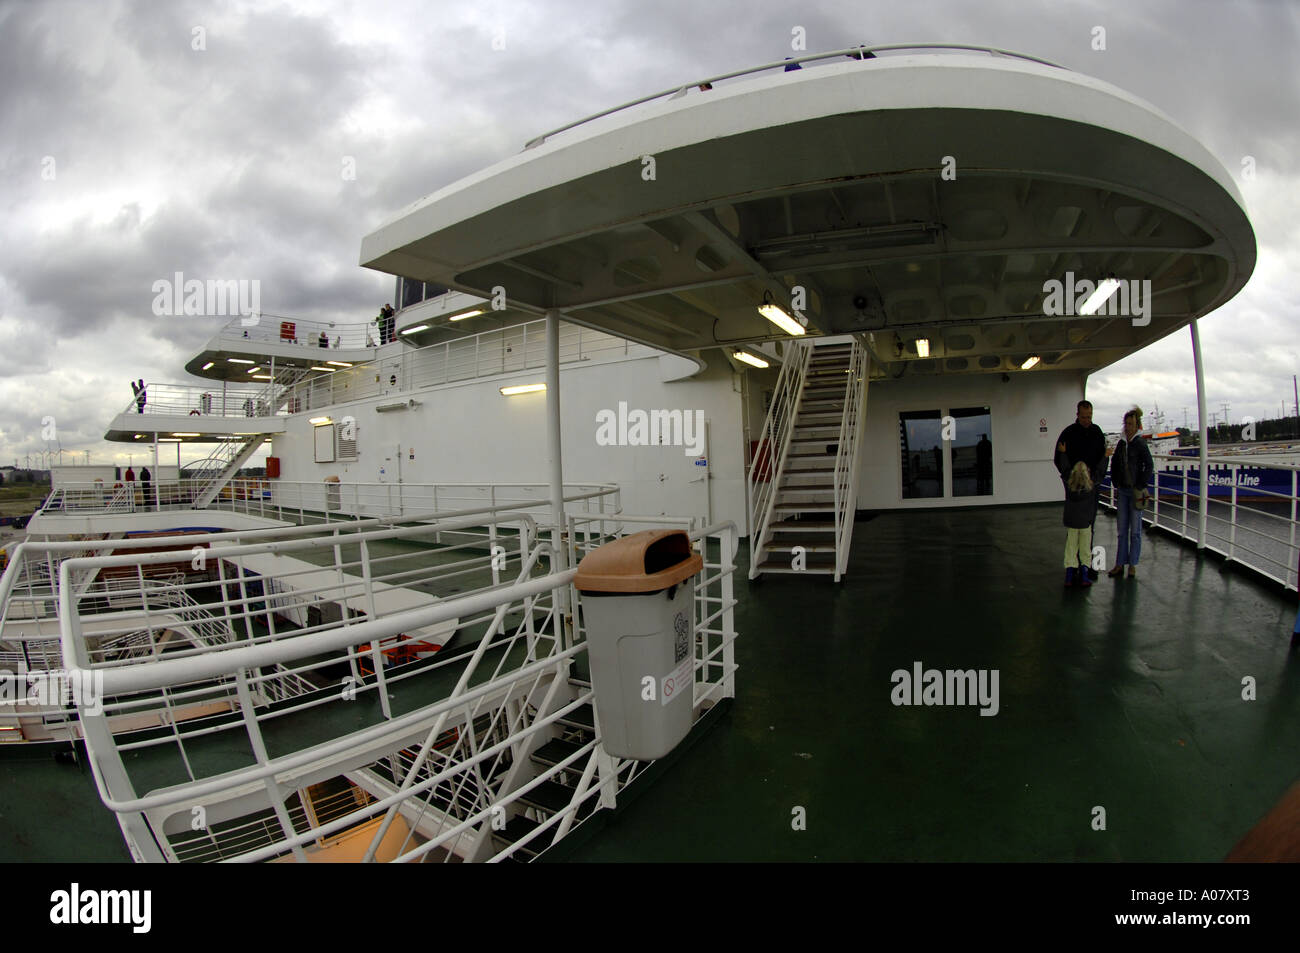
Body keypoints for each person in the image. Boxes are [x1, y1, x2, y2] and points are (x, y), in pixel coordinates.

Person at [1054, 400, 1107, 578]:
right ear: (1077, 415)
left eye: (1090, 417)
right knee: (1075, 528)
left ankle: (1085, 564)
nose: (1087, 420)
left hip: (1091, 488)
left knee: (1087, 526)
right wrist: (1070, 480)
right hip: (1074, 487)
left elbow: (1101, 458)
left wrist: (1095, 478)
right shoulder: (1068, 433)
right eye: (1084, 417)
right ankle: (1074, 565)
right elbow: (1058, 458)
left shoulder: (1097, 432)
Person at [1107, 407, 1153, 579]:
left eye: (1131, 424)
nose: (1128, 427)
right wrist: (1115, 481)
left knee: (1135, 531)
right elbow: (1116, 463)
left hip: (1135, 491)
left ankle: (1132, 565)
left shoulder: (1140, 443)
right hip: (1123, 491)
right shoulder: (1121, 443)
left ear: (1137, 425)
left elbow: (1149, 466)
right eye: (1126, 424)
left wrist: (1140, 485)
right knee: (1121, 530)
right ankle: (1120, 563)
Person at [1061, 461, 1096, 588]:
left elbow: (1063, 470)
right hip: (1085, 523)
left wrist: (1063, 454)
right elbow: (1100, 474)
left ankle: (1069, 578)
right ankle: (1084, 577)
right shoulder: (1091, 488)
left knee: (1071, 549)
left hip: (1072, 523)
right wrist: (1105, 457)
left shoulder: (1069, 487)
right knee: (1085, 550)